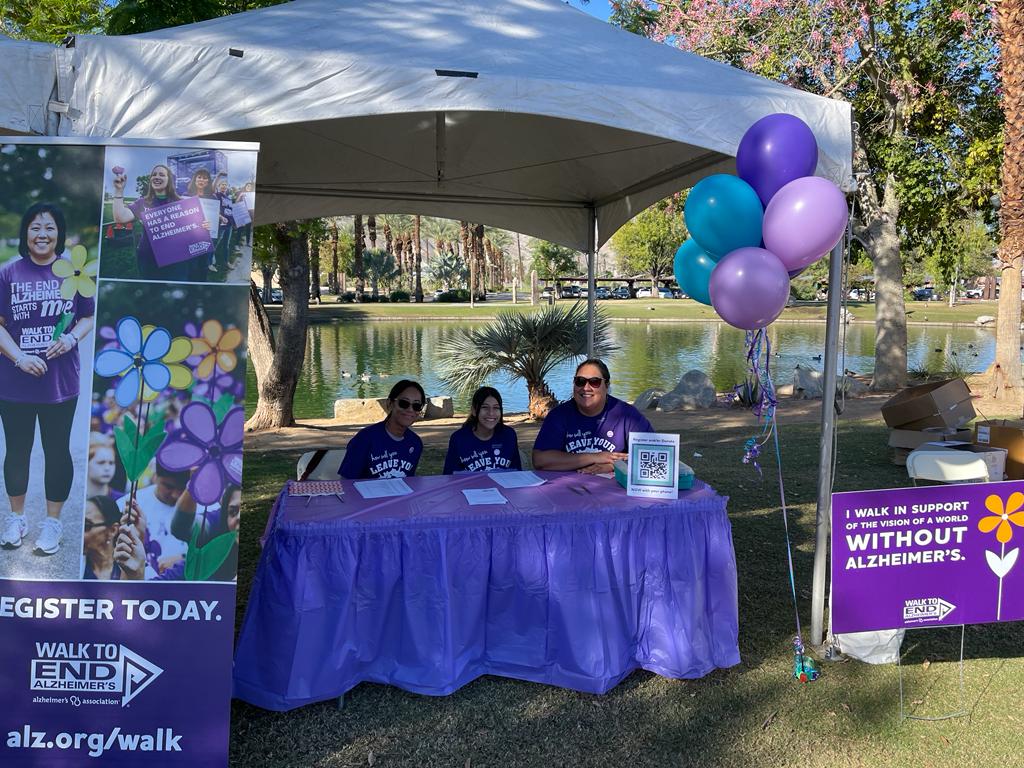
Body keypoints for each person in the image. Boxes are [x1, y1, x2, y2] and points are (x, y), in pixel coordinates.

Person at [0, 203, 95, 554]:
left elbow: (86, 316)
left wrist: (71, 338)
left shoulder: (75, 273)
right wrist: (20, 357)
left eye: (50, 228)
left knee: (57, 452)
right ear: (26, 233)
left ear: (60, 233)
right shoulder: (8, 274)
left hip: (60, 384)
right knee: (17, 451)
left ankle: (53, 523)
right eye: (35, 228)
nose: (42, 234)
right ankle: (16, 518)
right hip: (14, 384)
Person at [532, 358, 653, 475]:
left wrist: (613, 466)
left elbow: (654, 454)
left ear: (607, 385)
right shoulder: (559, 416)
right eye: (580, 381)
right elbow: (540, 461)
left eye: (594, 382)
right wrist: (595, 457)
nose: (586, 388)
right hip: (567, 487)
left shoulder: (626, 415)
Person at [112, 163, 203, 282]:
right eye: (154, 175)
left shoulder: (182, 203)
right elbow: (120, 218)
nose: (157, 177)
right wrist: (119, 191)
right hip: (149, 260)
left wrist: (203, 226)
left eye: (162, 175)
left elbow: (195, 230)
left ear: (169, 180)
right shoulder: (142, 202)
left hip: (176, 262)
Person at [339, 380, 425, 479]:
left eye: (416, 406)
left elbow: (408, 481)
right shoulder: (364, 439)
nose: (410, 409)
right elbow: (346, 483)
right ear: (390, 404)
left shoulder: (415, 443)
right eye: (404, 403)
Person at [117, 464, 190, 578]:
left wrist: (185, 558)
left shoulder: (207, 507)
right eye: (168, 486)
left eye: (183, 489)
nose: (175, 495)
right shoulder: (126, 505)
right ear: (155, 476)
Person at [443, 386, 521, 474]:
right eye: (485, 407)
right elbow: (449, 476)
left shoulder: (509, 435)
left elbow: (517, 472)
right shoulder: (459, 439)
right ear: (474, 411)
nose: (491, 413)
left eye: (496, 408)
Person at [186, 168, 217, 282]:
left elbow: (213, 217)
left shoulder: (212, 198)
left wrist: (220, 218)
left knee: (203, 266)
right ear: (195, 180)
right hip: (189, 237)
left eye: (205, 178)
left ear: (208, 181)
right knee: (191, 266)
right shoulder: (186, 195)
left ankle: (202, 290)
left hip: (206, 237)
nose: (201, 180)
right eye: (199, 177)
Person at [82, 495, 123, 579]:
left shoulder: (134, 569)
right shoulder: (76, 568)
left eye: (86, 526)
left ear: (112, 530)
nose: (79, 534)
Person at [86, 433, 123, 500]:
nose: (107, 468)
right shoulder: (76, 498)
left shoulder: (121, 500)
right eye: (101, 463)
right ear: (86, 464)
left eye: (111, 463)